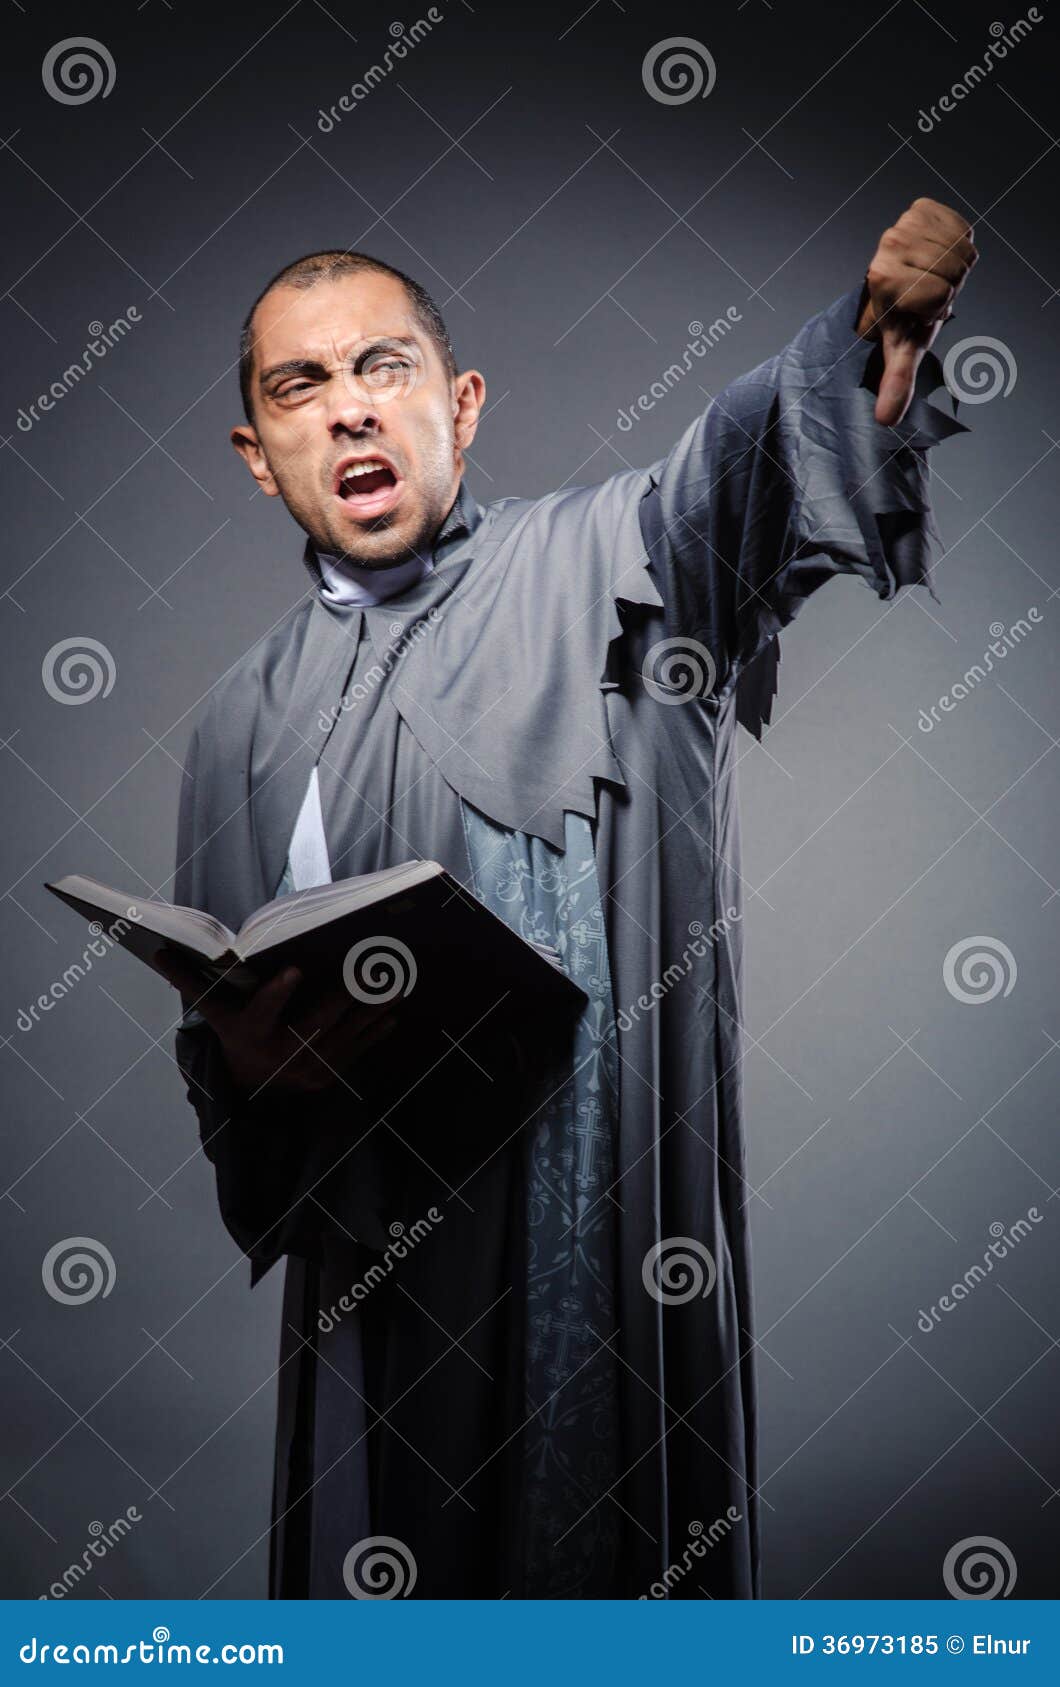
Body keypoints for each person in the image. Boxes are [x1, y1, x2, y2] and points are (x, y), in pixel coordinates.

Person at [160, 197, 977, 1598]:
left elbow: (740, 469)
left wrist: (863, 349)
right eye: (301, 385)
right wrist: (244, 1066)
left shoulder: (610, 559)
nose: (349, 411)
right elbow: (227, 1036)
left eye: (385, 367)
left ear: (460, 405)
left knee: (596, 1549)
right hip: (380, 1269)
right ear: (257, 454)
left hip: (588, 1214)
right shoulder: (238, 722)